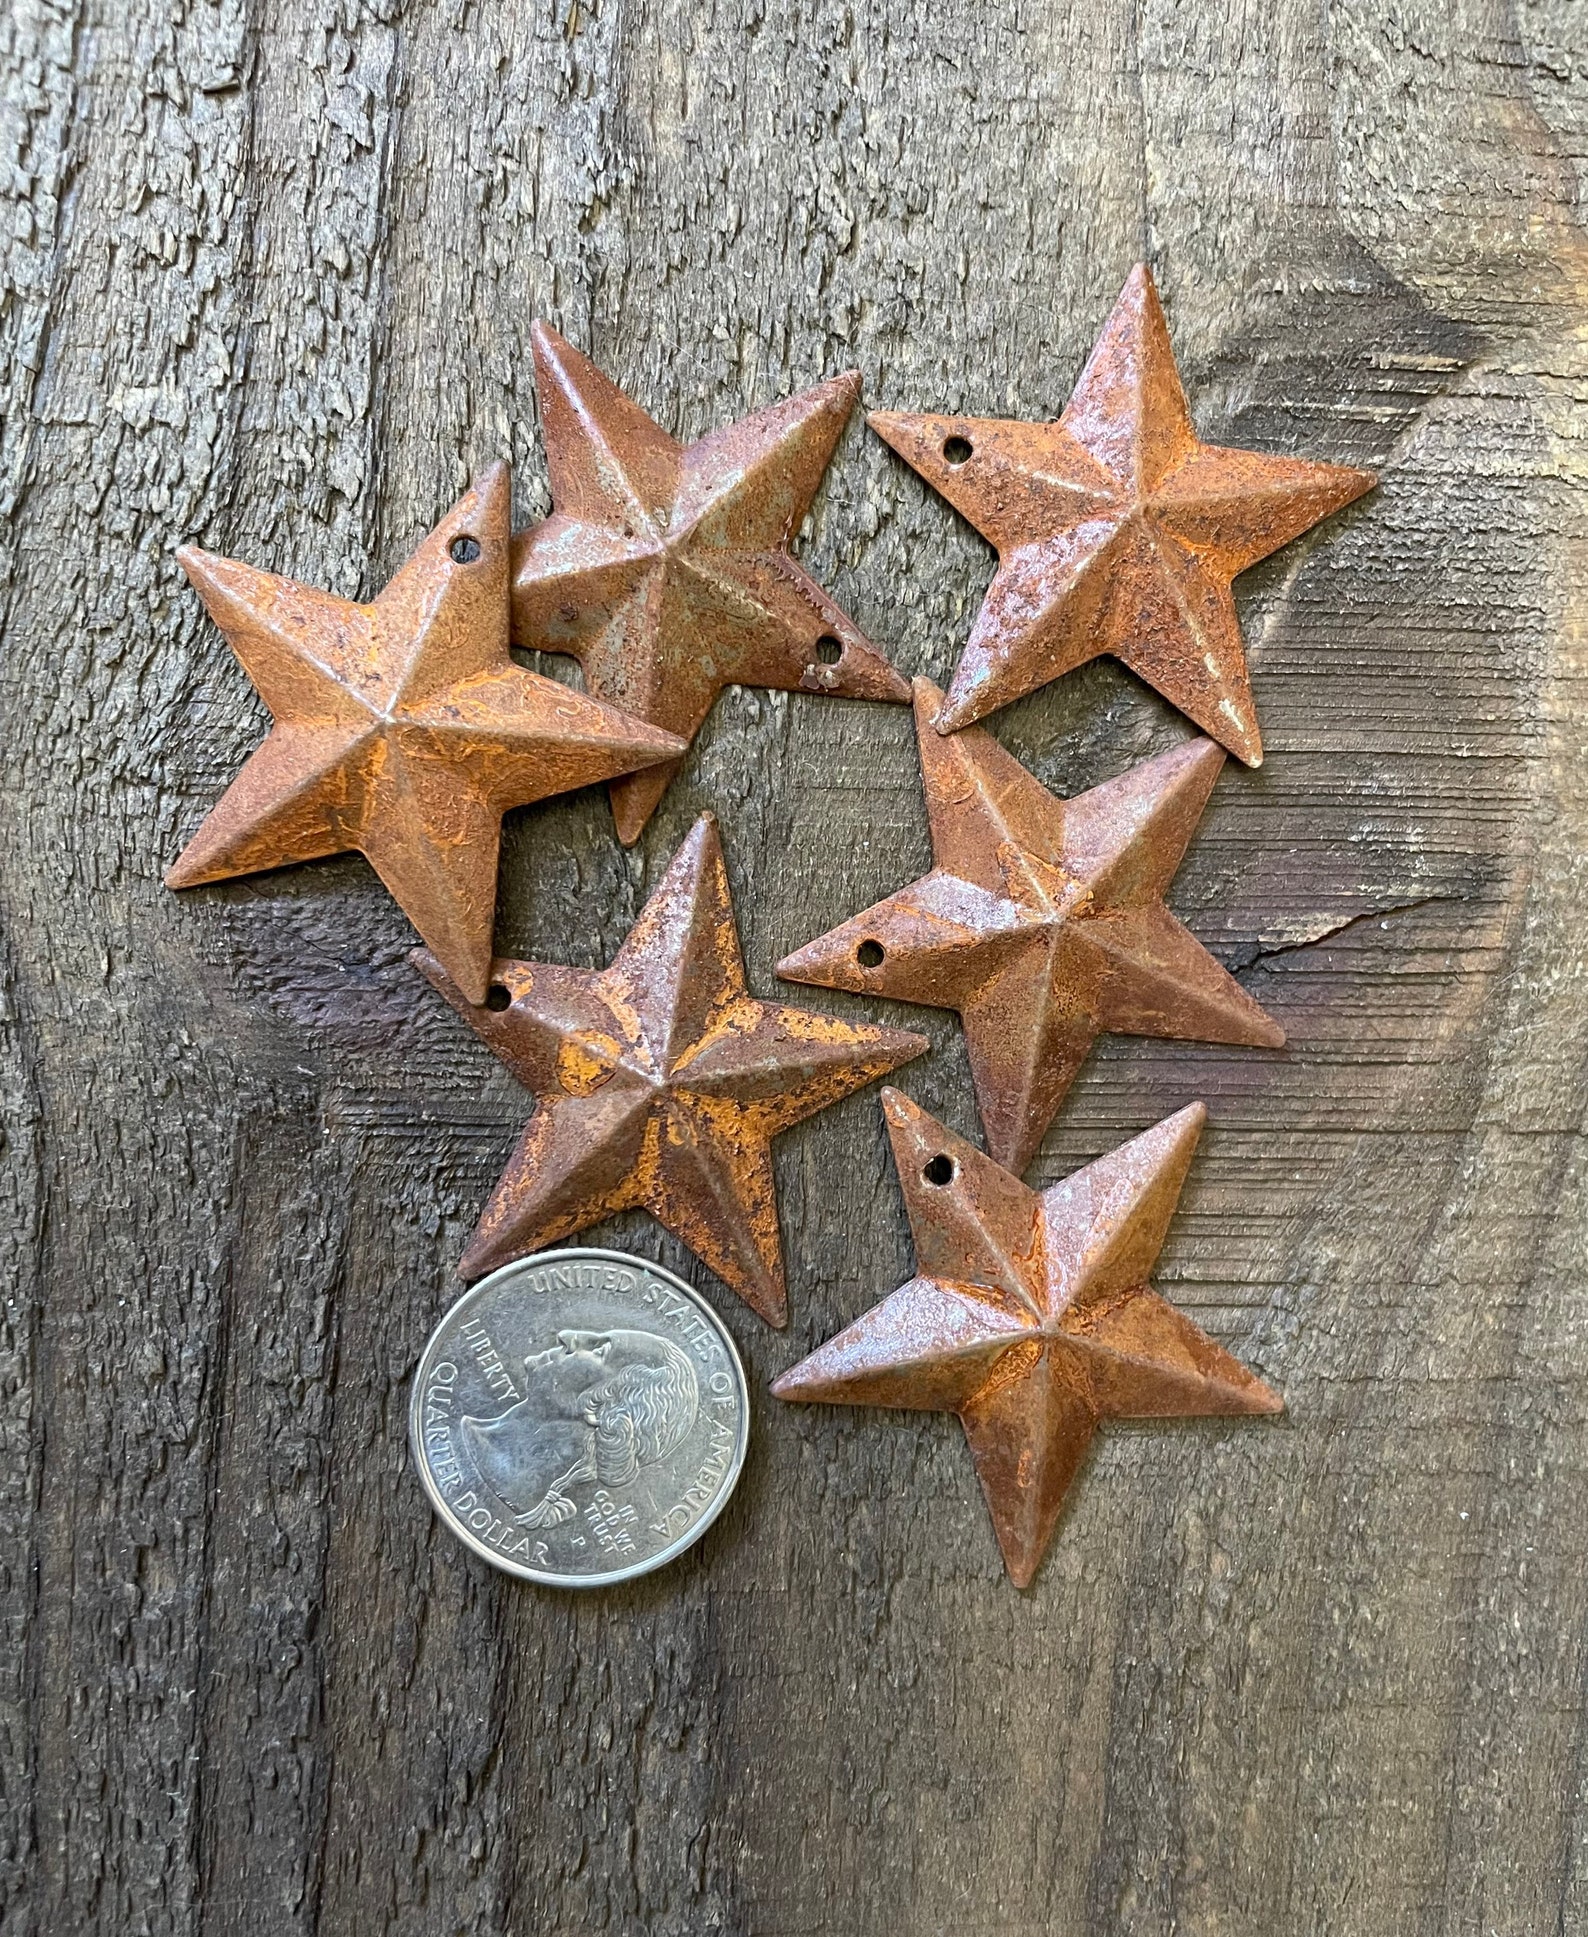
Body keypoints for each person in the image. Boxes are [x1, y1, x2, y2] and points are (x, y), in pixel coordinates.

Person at [461, 1328, 698, 1528]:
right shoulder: (477, 1441)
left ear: (605, 1408)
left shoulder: (515, 1487)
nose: (566, 1336)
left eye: (599, 1350)